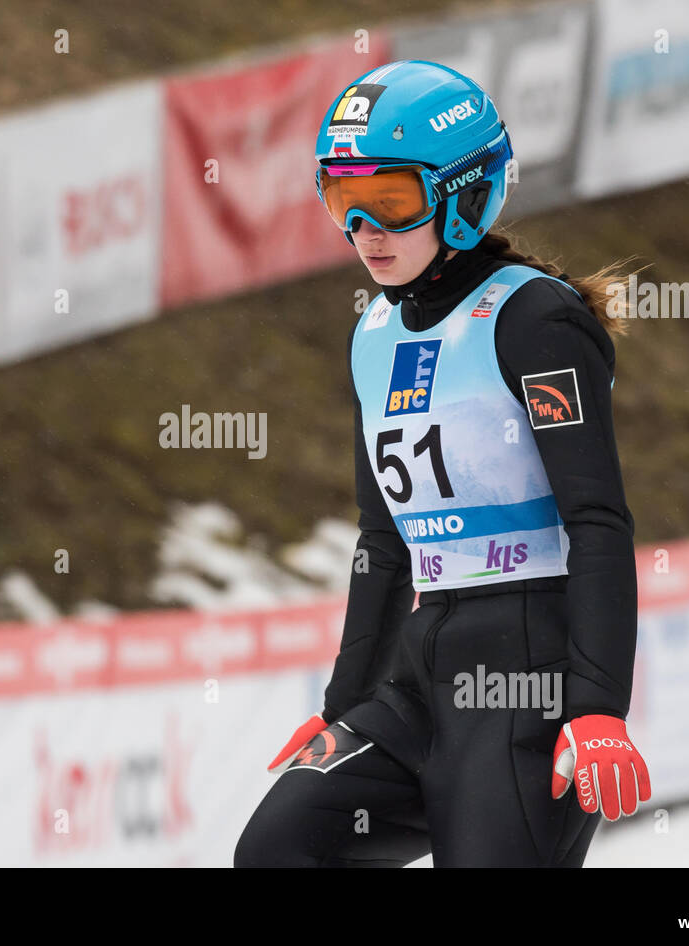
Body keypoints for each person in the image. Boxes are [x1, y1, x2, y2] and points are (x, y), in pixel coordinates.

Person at [234, 60, 650, 867]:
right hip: (420, 683)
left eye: (390, 200)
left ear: (463, 196)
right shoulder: (373, 334)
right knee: (281, 849)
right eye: (340, 200)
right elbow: (382, 541)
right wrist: (345, 705)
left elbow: (597, 520)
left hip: (529, 683)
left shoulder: (534, 317)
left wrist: (598, 708)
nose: (365, 231)